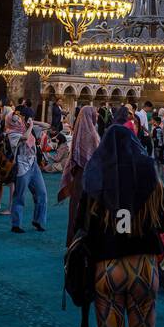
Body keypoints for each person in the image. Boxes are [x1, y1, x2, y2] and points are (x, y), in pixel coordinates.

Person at [75, 119, 164, 327]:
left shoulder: (96, 173)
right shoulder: (148, 172)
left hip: (108, 266)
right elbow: (163, 223)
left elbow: (83, 226)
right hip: (144, 266)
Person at [60, 104, 100, 243]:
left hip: (78, 175)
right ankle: (83, 241)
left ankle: (71, 239)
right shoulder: (92, 134)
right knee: (86, 209)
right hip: (88, 177)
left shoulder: (78, 131)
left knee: (75, 207)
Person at [7, 110, 47, 233]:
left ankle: (38, 221)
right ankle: (16, 224)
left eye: (19, 117)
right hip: (22, 165)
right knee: (20, 195)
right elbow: (24, 138)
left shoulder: (27, 127)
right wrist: (29, 126)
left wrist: (31, 122)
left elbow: (47, 126)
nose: (18, 120)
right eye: (15, 118)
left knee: (42, 193)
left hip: (33, 164)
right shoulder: (11, 133)